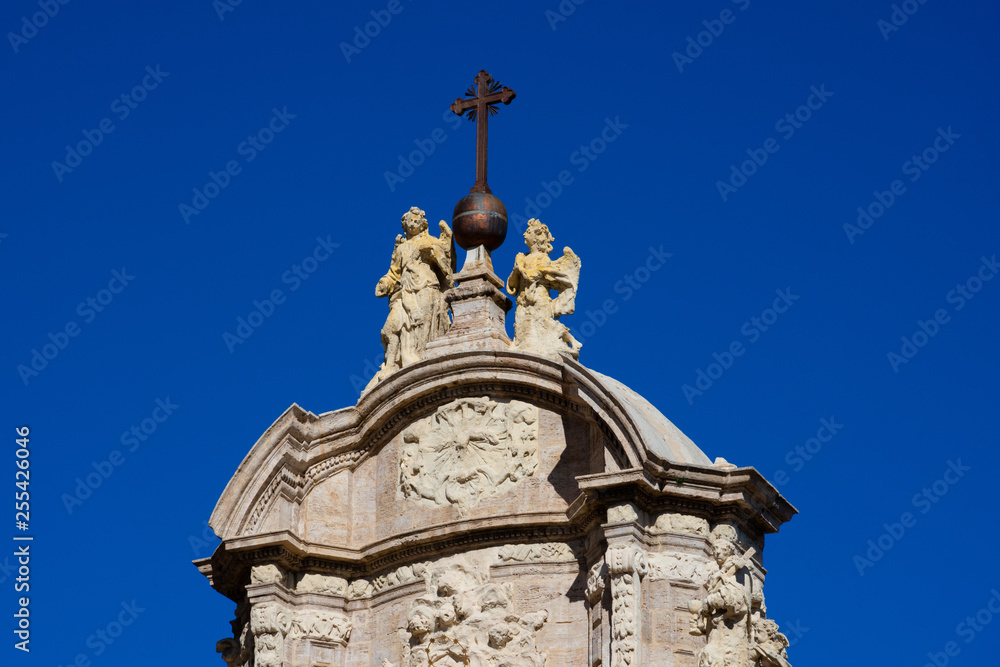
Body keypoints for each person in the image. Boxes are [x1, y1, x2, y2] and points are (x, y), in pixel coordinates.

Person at [366, 207, 454, 392]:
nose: (412, 224)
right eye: (409, 222)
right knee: (392, 327)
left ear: (422, 224)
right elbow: (394, 273)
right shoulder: (402, 248)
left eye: (415, 221)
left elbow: (446, 267)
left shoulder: (430, 241)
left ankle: (421, 361)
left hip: (426, 287)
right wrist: (385, 283)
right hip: (405, 292)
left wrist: (435, 253)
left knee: (421, 325)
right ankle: (395, 365)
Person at [506, 219, 581, 360]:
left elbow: (533, 275)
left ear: (536, 237)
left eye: (528, 232)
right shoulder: (523, 257)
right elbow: (512, 285)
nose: (524, 234)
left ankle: (572, 342)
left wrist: (520, 267)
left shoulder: (542, 258)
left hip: (539, 298)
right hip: (523, 300)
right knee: (525, 329)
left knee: (544, 324)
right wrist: (516, 270)